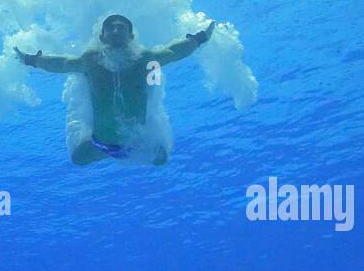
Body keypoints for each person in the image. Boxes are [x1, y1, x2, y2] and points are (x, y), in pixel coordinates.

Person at [14, 13, 216, 166]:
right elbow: (61, 63)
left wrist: (199, 39)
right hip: (102, 142)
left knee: (162, 161)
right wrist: (31, 59)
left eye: (121, 28)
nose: (116, 30)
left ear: (131, 36)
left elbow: (173, 52)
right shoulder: (90, 61)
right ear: (102, 37)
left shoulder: (145, 59)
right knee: (77, 159)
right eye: (110, 28)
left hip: (139, 142)